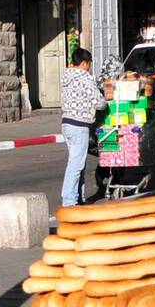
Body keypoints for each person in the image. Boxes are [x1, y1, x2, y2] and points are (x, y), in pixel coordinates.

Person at [60, 47, 105, 207]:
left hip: (66, 123)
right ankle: (69, 200)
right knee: (76, 164)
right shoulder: (86, 78)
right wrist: (105, 99)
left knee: (78, 162)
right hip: (80, 125)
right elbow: (99, 103)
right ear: (85, 63)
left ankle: (78, 197)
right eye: (90, 63)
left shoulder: (66, 76)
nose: (90, 66)